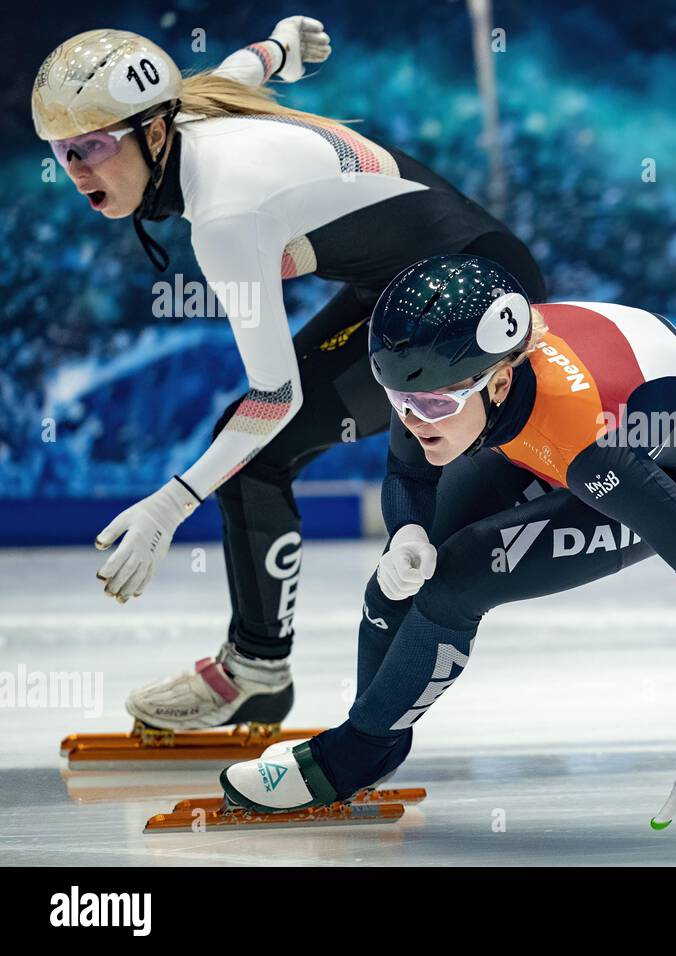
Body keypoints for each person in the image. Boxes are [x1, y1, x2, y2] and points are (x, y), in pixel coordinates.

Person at [30, 21, 546, 732]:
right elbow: (235, 73)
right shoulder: (191, 113)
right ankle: (265, 668)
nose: (76, 171)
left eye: (91, 148)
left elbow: (276, 398)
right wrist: (281, 48)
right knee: (253, 452)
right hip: (414, 278)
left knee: (254, 451)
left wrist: (171, 504)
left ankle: (268, 676)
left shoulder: (225, 218)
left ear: (153, 133)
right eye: (62, 153)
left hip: (473, 290)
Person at [220, 255, 676, 861]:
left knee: (463, 574)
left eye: (433, 408)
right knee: (400, 581)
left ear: (499, 382)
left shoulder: (585, 443)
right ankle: (377, 739)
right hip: (559, 422)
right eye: (396, 400)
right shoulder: (437, 373)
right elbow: (408, 469)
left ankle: (355, 751)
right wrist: (406, 534)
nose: (412, 420)